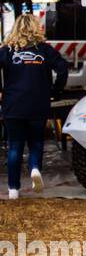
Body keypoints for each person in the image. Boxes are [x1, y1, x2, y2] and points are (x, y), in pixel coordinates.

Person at [0, 12, 69, 199]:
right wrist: (56, 91)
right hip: (38, 103)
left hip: (13, 104)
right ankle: (35, 169)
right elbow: (63, 68)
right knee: (36, 142)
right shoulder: (45, 50)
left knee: (15, 147)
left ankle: (13, 189)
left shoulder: (7, 50)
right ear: (35, 28)